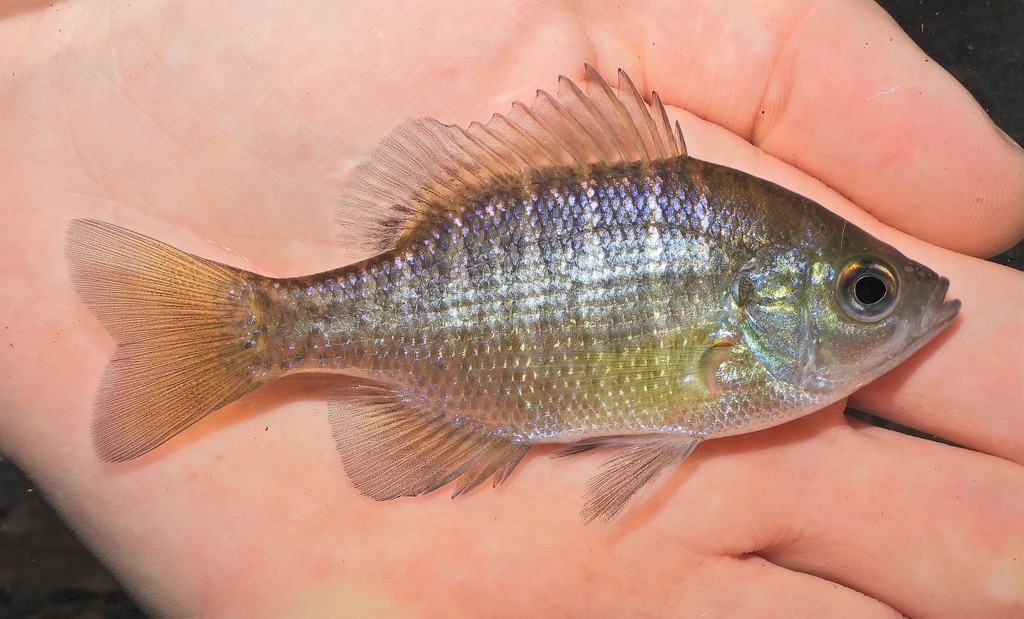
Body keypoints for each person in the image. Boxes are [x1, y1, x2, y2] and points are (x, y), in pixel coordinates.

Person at [1, 2, 1021, 616]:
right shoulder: (732, 368)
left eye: (867, 288)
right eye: (865, 291)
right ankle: (257, 332)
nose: (887, 307)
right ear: (764, 303)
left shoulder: (740, 363)